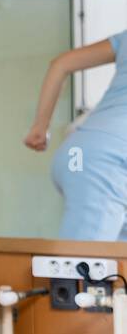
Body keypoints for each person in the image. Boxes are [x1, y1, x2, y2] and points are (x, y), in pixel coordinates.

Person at [25, 31, 127, 240]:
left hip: (83, 153)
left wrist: (40, 127)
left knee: (113, 264)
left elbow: (61, 63)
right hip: (105, 163)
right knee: (83, 265)